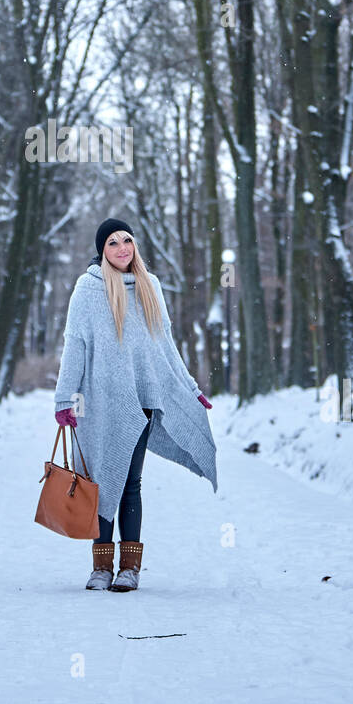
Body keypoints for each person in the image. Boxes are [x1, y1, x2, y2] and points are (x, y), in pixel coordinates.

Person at [53, 217, 217, 591]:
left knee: (130, 483)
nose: (122, 247)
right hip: (97, 404)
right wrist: (65, 398)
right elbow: (74, 345)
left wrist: (190, 389)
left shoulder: (150, 286)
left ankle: (130, 568)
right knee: (100, 482)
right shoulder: (88, 289)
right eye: (113, 242)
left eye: (127, 240)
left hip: (140, 402)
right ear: (102, 251)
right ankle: (100, 567)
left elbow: (166, 345)